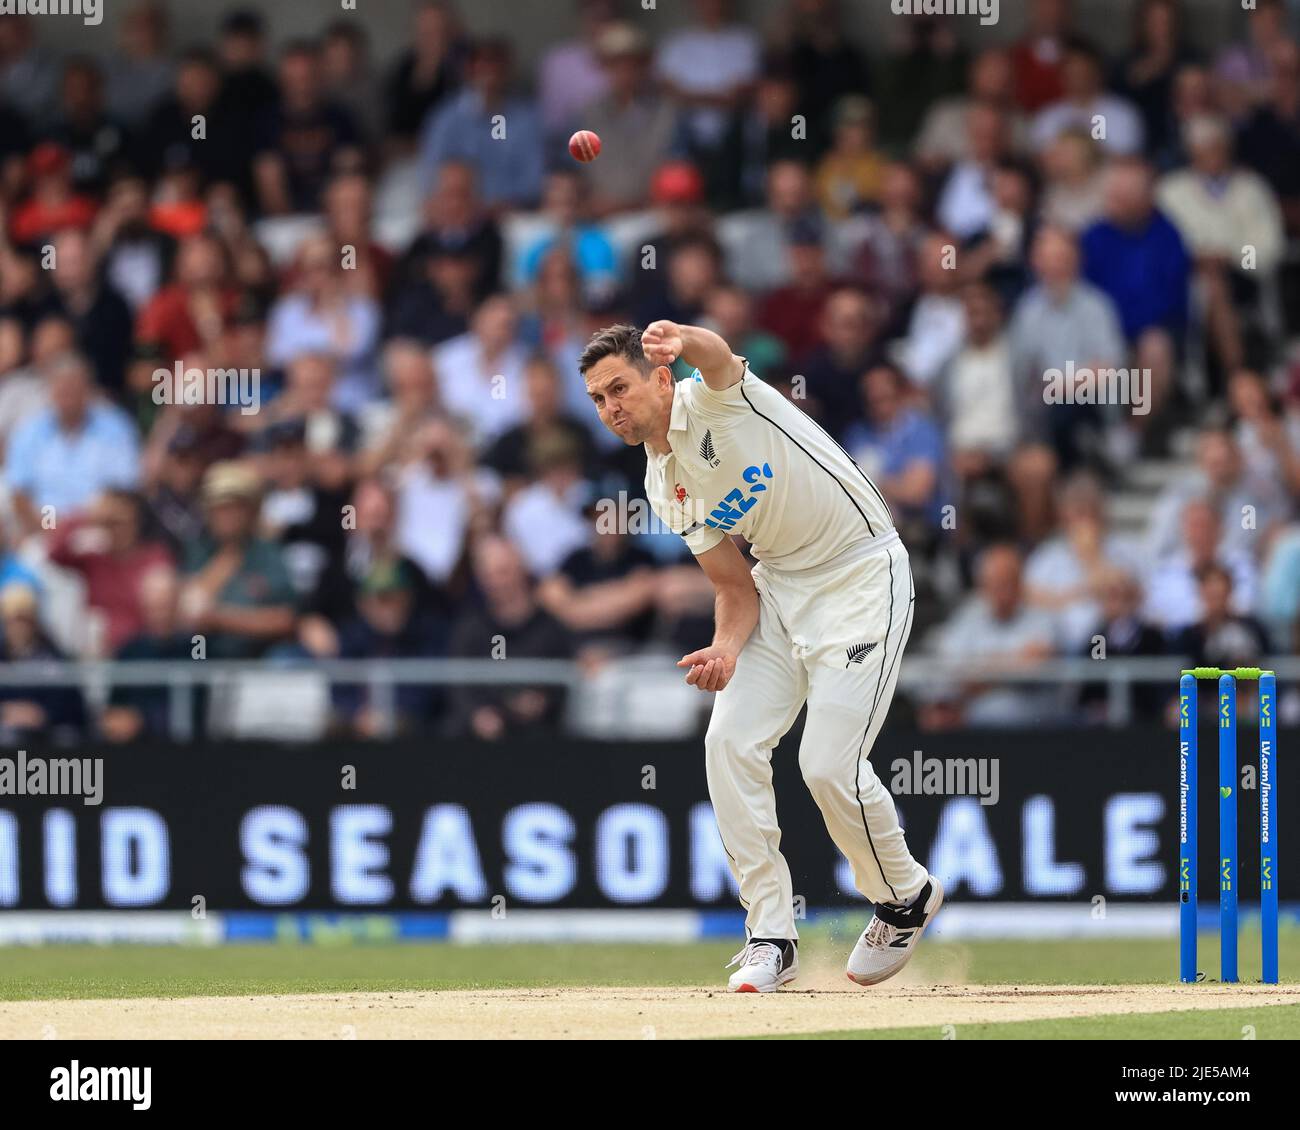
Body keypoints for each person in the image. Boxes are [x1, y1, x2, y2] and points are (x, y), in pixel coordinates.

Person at [579, 321, 941, 994]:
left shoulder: (714, 398)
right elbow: (732, 588)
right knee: (728, 741)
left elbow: (717, 357)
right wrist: (724, 646)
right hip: (778, 588)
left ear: (659, 377)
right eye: (599, 400)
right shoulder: (663, 485)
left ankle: (904, 898)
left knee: (827, 765)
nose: (611, 409)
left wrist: (681, 336)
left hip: (861, 573)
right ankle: (770, 935)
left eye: (619, 388)